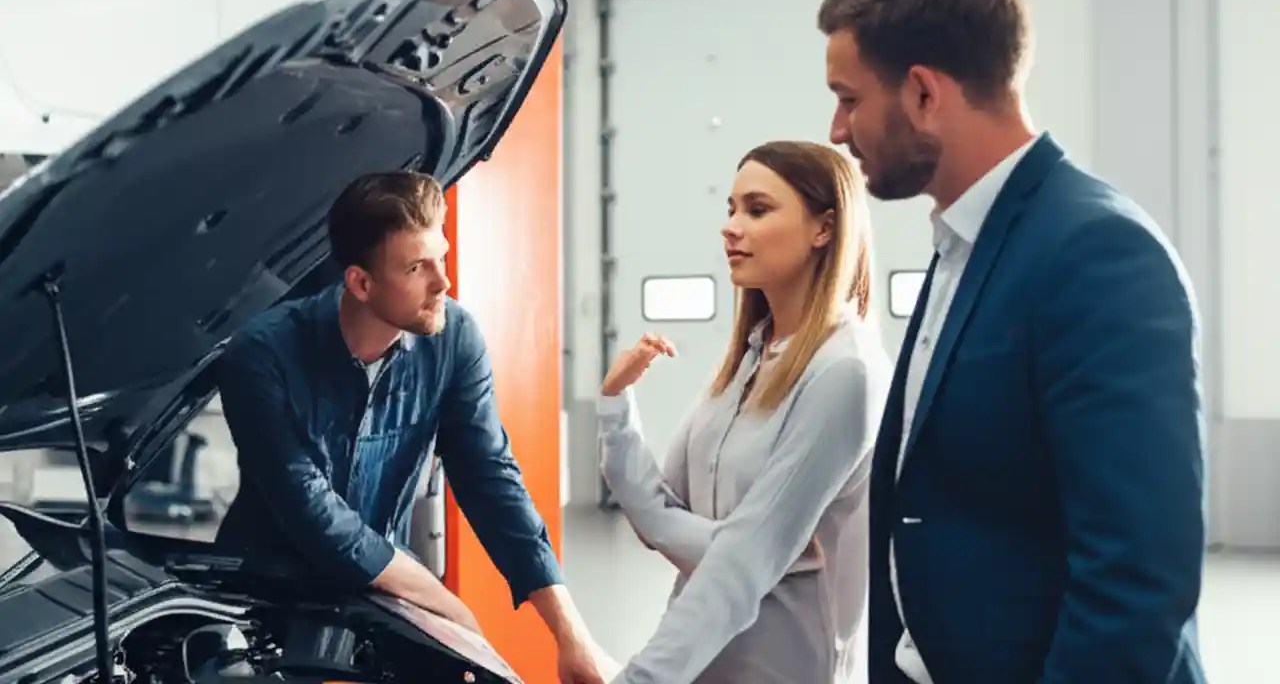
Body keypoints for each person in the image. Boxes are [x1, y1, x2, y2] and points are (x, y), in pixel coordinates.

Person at [816, 0, 1208, 683]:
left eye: (849, 100)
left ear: (925, 93)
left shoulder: (1099, 253)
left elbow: (1137, 581)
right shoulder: (964, 243)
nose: (838, 130)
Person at [214, 171, 617, 683]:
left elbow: (491, 479)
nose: (443, 282)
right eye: (417, 267)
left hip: (381, 583)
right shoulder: (262, 355)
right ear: (361, 282)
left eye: (441, 257)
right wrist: (452, 610)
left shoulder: (453, 339)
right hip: (264, 594)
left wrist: (571, 636)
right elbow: (311, 509)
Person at [597, 140, 892, 683]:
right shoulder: (747, 361)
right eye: (731, 209)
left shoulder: (844, 371)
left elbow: (745, 559)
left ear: (824, 229)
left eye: (757, 210)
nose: (731, 226)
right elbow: (656, 514)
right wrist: (614, 406)